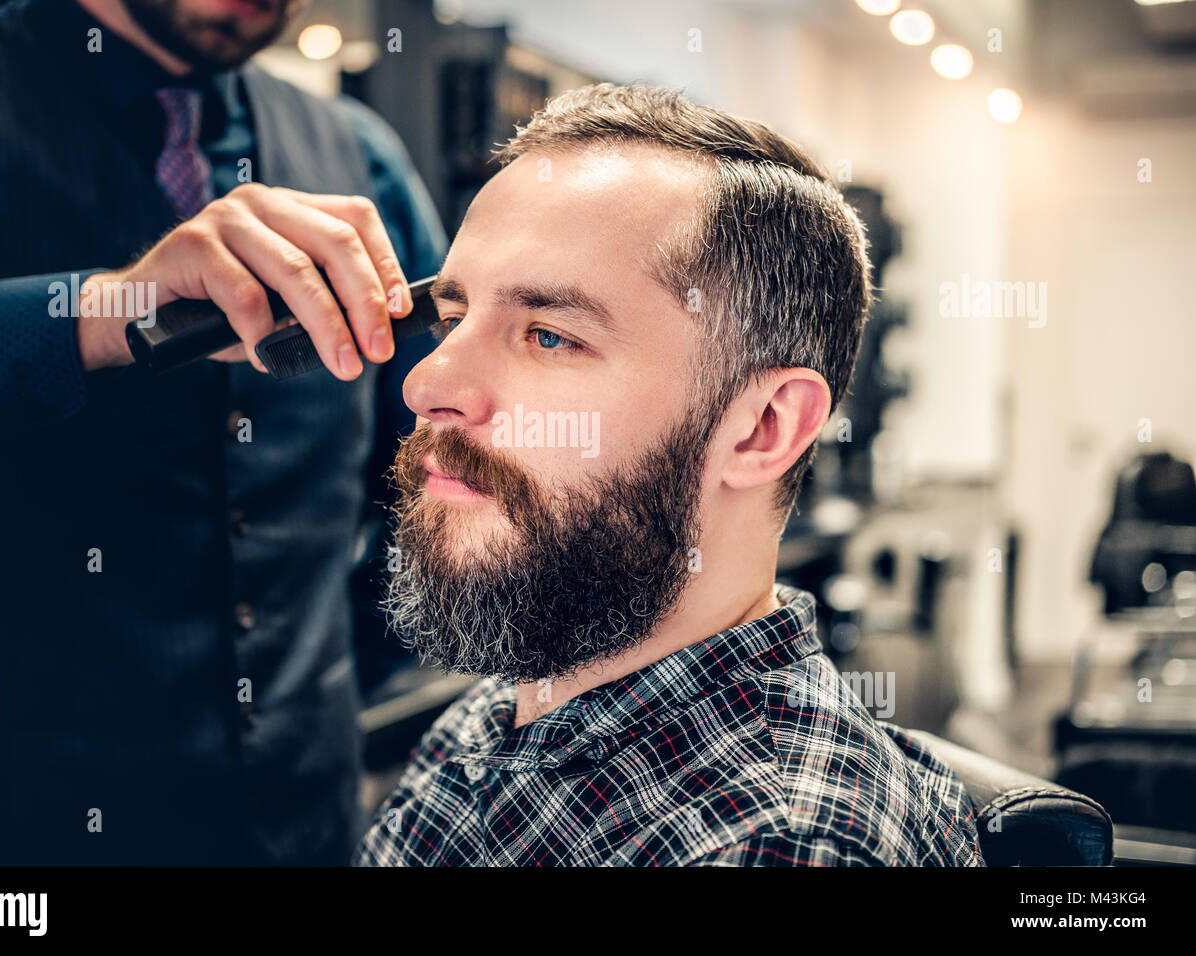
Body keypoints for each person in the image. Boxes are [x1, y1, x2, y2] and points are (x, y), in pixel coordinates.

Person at [353, 83, 985, 867]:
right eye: (452, 320)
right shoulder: (502, 711)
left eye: (549, 336)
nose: (426, 385)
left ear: (763, 428)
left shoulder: (776, 847)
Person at [0, 0, 446, 865]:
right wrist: (102, 313)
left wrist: (332, 673)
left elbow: (436, 469)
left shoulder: (361, 155)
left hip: (304, 824)